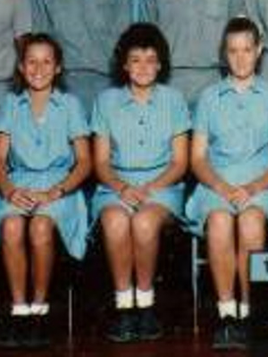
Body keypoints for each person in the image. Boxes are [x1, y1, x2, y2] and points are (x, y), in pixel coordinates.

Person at [0, 34, 92, 349]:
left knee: (40, 225)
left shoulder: (70, 105)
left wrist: (56, 192)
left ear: (57, 68)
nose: (38, 68)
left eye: (46, 61)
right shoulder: (12, 105)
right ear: (21, 66)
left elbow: (84, 162)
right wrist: (9, 190)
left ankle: (40, 310)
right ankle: (19, 310)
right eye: (31, 61)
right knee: (12, 224)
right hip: (18, 184)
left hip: (59, 189)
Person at [186, 17, 268, 350]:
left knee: (250, 222)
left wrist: (253, 189)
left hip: (263, 185)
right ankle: (226, 314)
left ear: (259, 51)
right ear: (224, 54)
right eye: (233, 51)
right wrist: (220, 187)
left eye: (247, 50)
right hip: (217, 183)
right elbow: (198, 159)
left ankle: (250, 312)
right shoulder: (209, 97)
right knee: (218, 222)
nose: (241, 58)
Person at [90, 23, 191, 344]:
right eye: (136, 60)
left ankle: (145, 303)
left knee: (145, 222)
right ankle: (124, 305)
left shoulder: (174, 100)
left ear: (161, 64)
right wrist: (122, 189)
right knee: (116, 220)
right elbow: (101, 162)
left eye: (151, 59)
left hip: (162, 187)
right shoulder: (105, 101)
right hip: (115, 186)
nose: (144, 67)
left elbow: (180, 162)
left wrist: (149, 190)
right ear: (124, 65)